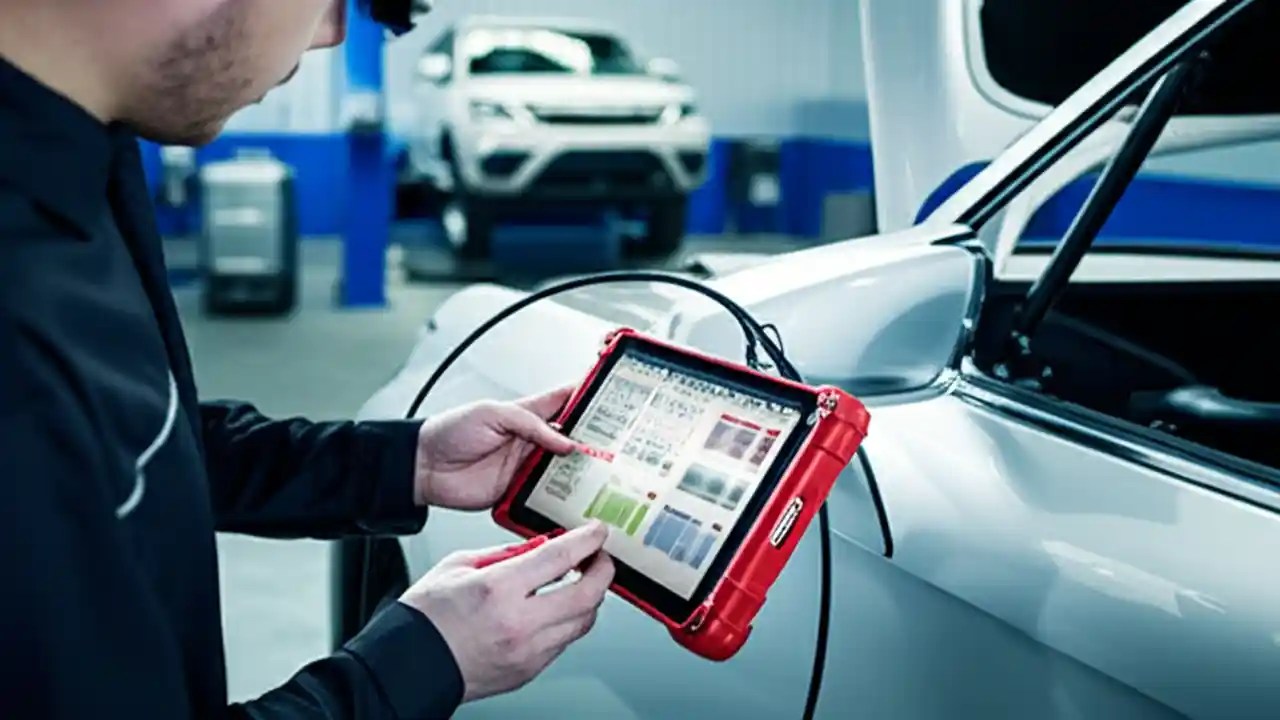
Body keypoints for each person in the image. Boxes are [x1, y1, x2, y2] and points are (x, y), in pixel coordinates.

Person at [0, 1, 615, 718]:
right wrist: (414, 666)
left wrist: (402, 464)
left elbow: (131, 444)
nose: (330, 35)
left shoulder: (85, 167)